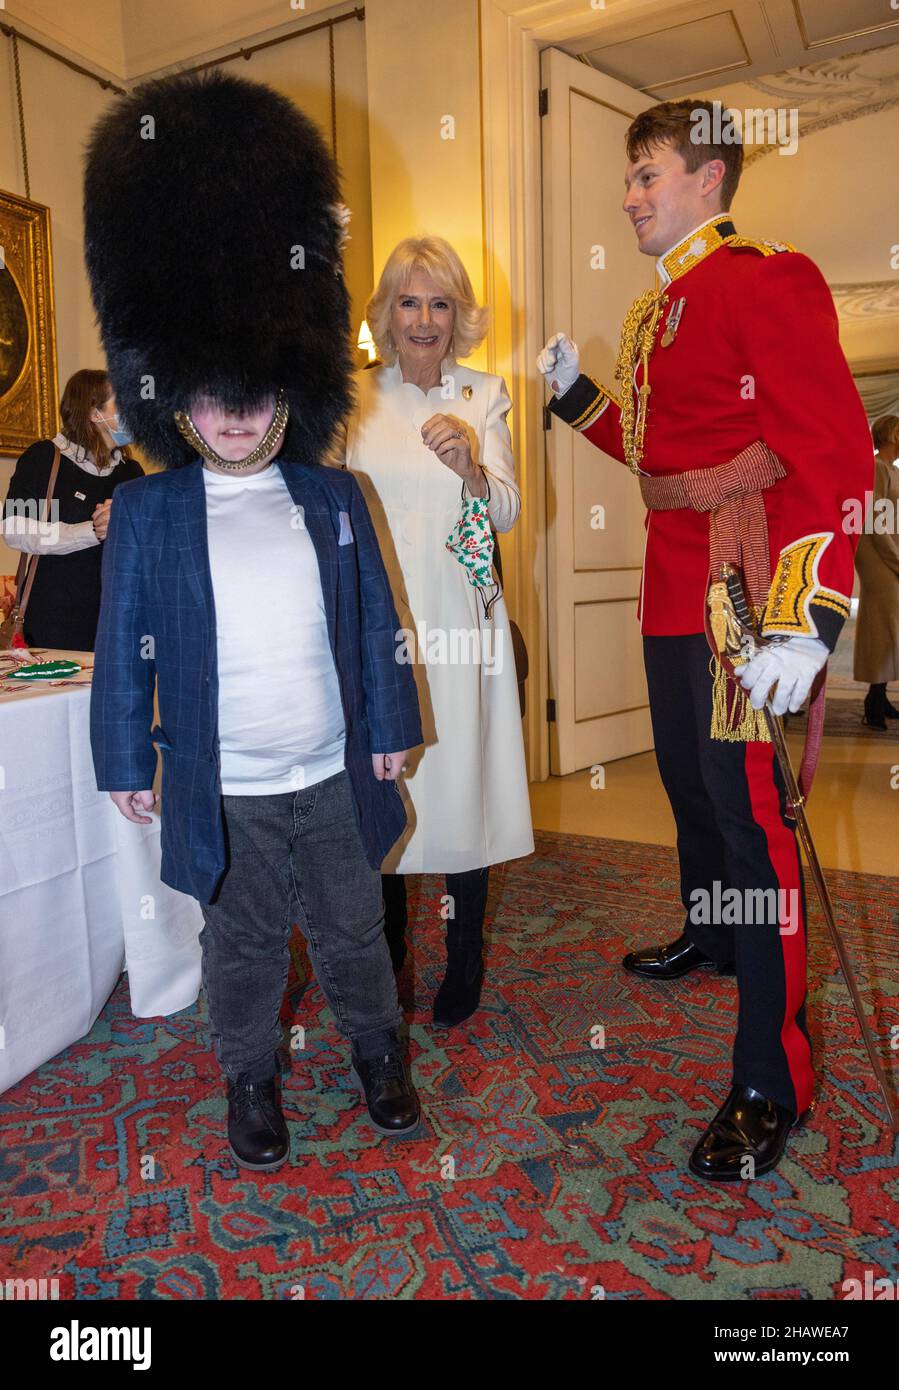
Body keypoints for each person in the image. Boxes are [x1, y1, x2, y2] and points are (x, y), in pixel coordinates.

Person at [84, 70, 423, 1172]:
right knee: (237, 946)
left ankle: (378, 1051)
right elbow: (120, 652)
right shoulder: (145, 512)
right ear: (173, 401)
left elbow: (375, 622)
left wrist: (391, 725)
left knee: (351, 929)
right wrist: (124, 758)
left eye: (258, 396)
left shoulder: (333, 499)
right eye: (214, 399)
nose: (236, 416)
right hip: (220, 780)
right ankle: (249, 1076)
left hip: (329, 770)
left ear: (293, 393)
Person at [538, 98, 873, 1181]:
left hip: (742, 584)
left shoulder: (765, 277)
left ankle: (770, 1076)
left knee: (754, 832)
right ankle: (713, 932)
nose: (628, 196)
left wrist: (807, 612)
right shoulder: (656, 312)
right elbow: (652, 452)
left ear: (708, 176)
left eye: (646, 175)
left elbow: (830, 453)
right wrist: (574, 395)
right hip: (668, 581)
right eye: (629, 178)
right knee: (688, 786)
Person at [334, 236, 534, 1028]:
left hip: (460, 617)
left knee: (460, 782)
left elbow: (510, 511)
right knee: (384, 785)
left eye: (439, 303)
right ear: (386, 313)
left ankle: (465, 952)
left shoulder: (485, 395)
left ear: (459, 317)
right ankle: (385, 960)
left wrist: (473, 472)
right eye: (409, 302)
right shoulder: (352, 399)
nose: (423, 319)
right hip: (378, 619)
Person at [2, 369, 143, 650]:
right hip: (53, 621)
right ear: (94, 413)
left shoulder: (131, 473)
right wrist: (93, 530)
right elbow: (14, 529)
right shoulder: (45, 457)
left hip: (118, 620)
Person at [854, 415, 899, 729]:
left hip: (889, 552)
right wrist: (896, 558)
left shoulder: (892, 470)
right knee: (882, 625)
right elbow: (875, 519)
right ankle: (873, 701)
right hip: (876, 554)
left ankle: (878, 696)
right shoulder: (877, 468)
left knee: (888, 626)